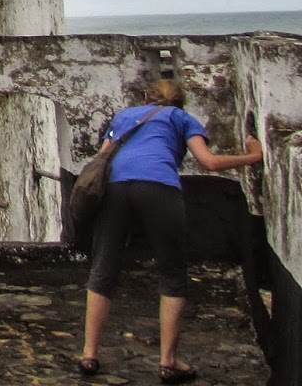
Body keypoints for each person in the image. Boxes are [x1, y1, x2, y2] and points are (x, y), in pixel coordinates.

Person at [77, 78, 264, 382]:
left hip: (115, 187)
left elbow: (102, 156)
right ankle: (168, 361)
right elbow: (209, 162)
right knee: (172, 273)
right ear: (181, 101)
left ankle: (89, 354)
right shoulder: (182, 118)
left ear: (145, 97)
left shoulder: (125, 115)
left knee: (103, 269)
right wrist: (253, 156)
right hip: (159, 187)